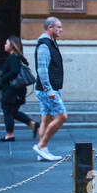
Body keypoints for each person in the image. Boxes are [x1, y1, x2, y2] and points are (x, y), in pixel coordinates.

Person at [0, 35, 39, 143]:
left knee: (8, 111)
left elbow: (14, 72)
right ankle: (33, 124)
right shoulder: (18, 57)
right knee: (13, 112)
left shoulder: (14, 58)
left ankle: (9, 135)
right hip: (17, 90)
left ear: (12, 46)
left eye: (7, 43)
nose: (5, 45)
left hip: (12, 90)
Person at [33, 16, 66, 162]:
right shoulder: (44, 45)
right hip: (48, 90)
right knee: (61, 116)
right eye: (58, 27)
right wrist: (49, 90)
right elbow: (42, 69)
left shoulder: (52, 43)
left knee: (46, 119)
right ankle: (41, 146)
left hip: (49, 89)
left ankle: (43, 152)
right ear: (50, 27)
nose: (61, 30)